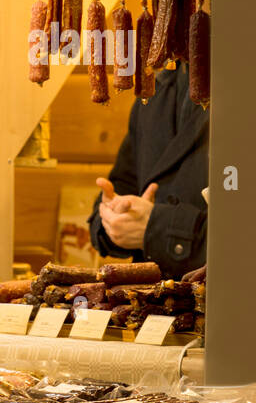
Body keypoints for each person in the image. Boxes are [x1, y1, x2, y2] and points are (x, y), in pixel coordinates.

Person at [88, 62, 208, 278]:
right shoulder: (154, 90)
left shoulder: (252, 91)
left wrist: (156, 229)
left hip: (226, 299)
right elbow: (122, 186)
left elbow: (253, 230)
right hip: (152, 298)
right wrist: (112, 217)